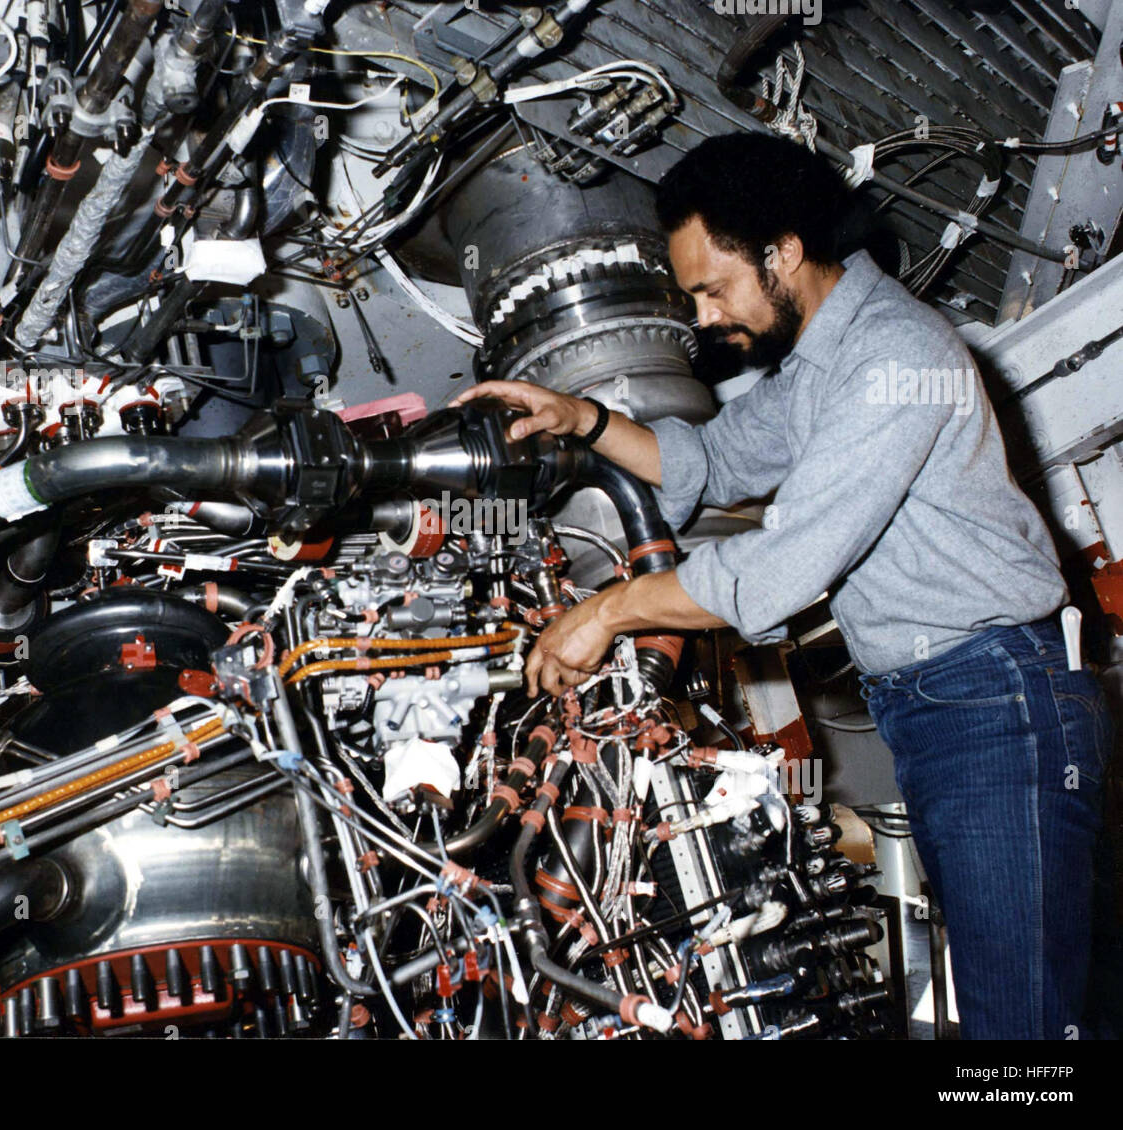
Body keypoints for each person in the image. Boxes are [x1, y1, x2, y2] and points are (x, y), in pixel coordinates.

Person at [454, 131, 1112, 1040]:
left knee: (1021, 1036)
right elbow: (713, 459)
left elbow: (784, 567)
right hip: (940, 707)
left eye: (713, 288)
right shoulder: (818, 367)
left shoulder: (893, 357)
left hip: (994, 700)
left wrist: (607, 611)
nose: (701, 314)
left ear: (785, 254)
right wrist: (584, 417)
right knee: (1021, 1009)